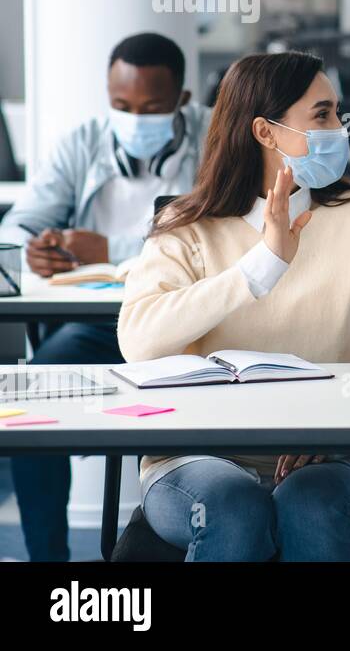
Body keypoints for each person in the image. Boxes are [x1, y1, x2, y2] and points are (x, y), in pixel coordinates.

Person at [117, 50, 350, 561]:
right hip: (193, 459)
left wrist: (336, 427)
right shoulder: (185, 225)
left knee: (309, 504)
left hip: (336, 459)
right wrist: (259, 267)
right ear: (265, 133)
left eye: (336, 111)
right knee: (233, 504)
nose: (339, 127)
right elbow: (138, 341)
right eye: (321, 115)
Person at [0, 32, 210, 562]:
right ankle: (48, 558)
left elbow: (218, 228)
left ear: (183, 100)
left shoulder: (216, 140)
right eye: (121, 105)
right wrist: (39, 247)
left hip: (184, 327)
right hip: (100, 323)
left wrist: (110, 247)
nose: (133, 117)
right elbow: (24, 220)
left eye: (151, 107)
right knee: (29, 389)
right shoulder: (83, 142)